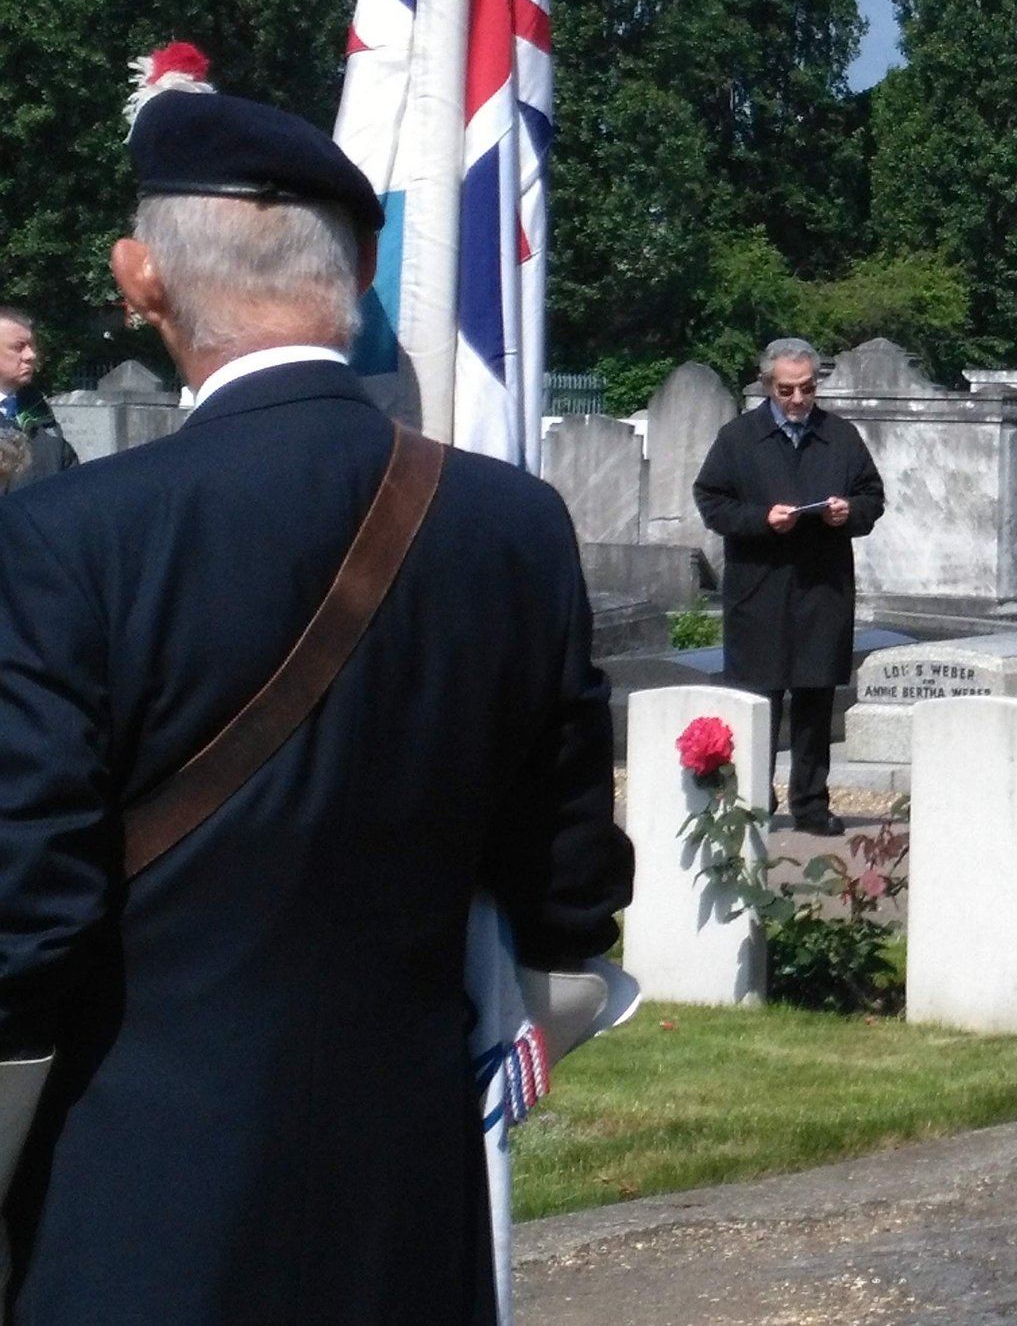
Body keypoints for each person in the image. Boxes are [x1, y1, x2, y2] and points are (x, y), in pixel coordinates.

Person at [0, 81, 633, 1324]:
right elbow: (569, 885)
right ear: (359, 268)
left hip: (137, 1198)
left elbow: (27, 914)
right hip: (406, 1198)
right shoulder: (514, 528)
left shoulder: (64, 540)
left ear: (142, 278)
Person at [694, 338, 887, 836]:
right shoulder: (738, 438)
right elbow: (711, 500)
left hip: (822, 587)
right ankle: (755, 798)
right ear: (767, 387)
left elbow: (872, 496)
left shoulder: (840, 436)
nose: (799, 400)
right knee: (760, 700)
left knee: (815, 699)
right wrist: (761, 518)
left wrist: (849, 513)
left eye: (807, 389)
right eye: (787, 390)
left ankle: (811, 801)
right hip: (760, 586)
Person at [0, 308, 77, 485]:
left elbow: (71, 479)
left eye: (32, 346)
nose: (31, 355)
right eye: (19, 347)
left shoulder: (38, 411)